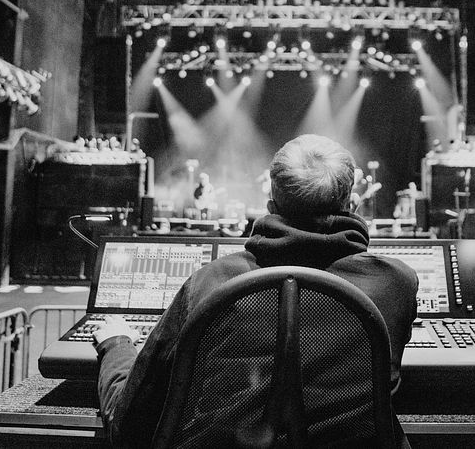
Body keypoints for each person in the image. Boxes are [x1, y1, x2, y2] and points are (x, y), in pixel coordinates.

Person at [94, 134, 419, 448]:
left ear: (270, 205)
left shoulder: (210, 283)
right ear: (354, 205)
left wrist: (117, 345)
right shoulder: (397, 283)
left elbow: (130, 423)